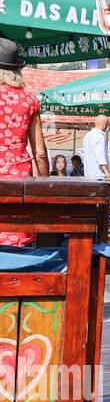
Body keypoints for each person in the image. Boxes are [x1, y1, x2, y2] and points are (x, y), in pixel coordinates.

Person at [0, 38, 49, 246]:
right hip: (18, 178)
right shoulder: (29, 100)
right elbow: (40, 152)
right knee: (17, 236)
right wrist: (47, 186)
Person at [81, 114, 110, 182]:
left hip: (88, 174)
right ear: (105, 125)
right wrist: (107, 172)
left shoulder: (87, 135)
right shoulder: (99, 136)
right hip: (99, 175)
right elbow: (100, 157)